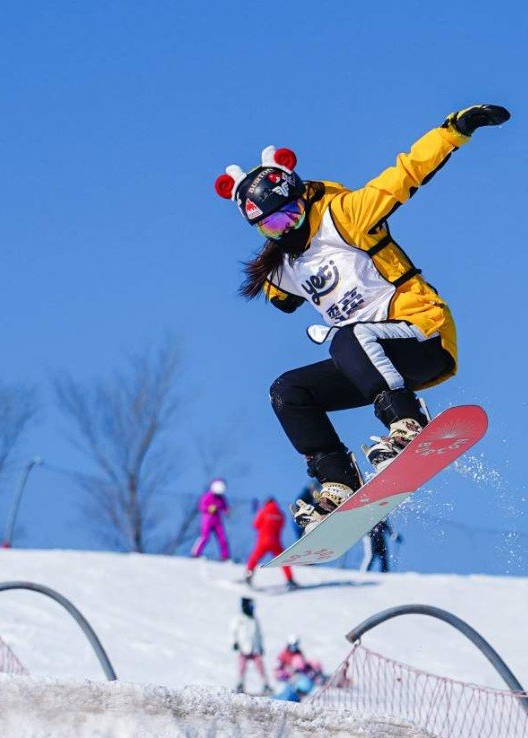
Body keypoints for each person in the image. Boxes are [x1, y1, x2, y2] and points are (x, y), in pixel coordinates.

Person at [211, 104, 511, 532]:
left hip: (422, 335)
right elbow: (280, 295)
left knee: (348, 338)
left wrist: (454, 131)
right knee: (288, 390)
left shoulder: (345, 215)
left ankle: (406, 419)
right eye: (271, 226)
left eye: (288, 215)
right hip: (369, 362)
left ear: (303, 197)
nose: (284, 228)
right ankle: (337, 481)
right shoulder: (285, 265)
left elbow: (404, 174)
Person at [245, 497, 297, 589]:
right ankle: (290, 579)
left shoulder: (263, 511)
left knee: (254, 558)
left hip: (263, 541)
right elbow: (281, 525)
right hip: (276, 542)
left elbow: (255, 525)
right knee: (283, 560)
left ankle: (248, 575)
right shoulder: (280, 514)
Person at [229, 595, 270, 694]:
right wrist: (234, 642)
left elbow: (259, 634)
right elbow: (233, 631)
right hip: (243, 647)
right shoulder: (239, 619)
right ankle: (240, 684)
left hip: (255, 648)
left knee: (260, 666)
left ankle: (265, 684)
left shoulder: (254, 620)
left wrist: (260, 646)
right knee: (242, 667)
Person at [190, 479, 232, 561]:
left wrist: (227, 511)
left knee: (222, 538)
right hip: (207, 519)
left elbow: (224, 507)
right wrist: (209, 508)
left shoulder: (221, 498)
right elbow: (202, 506)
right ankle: (196, 553)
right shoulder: (207, 496)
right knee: (205, 537)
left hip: (217, 520)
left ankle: (225, 556)